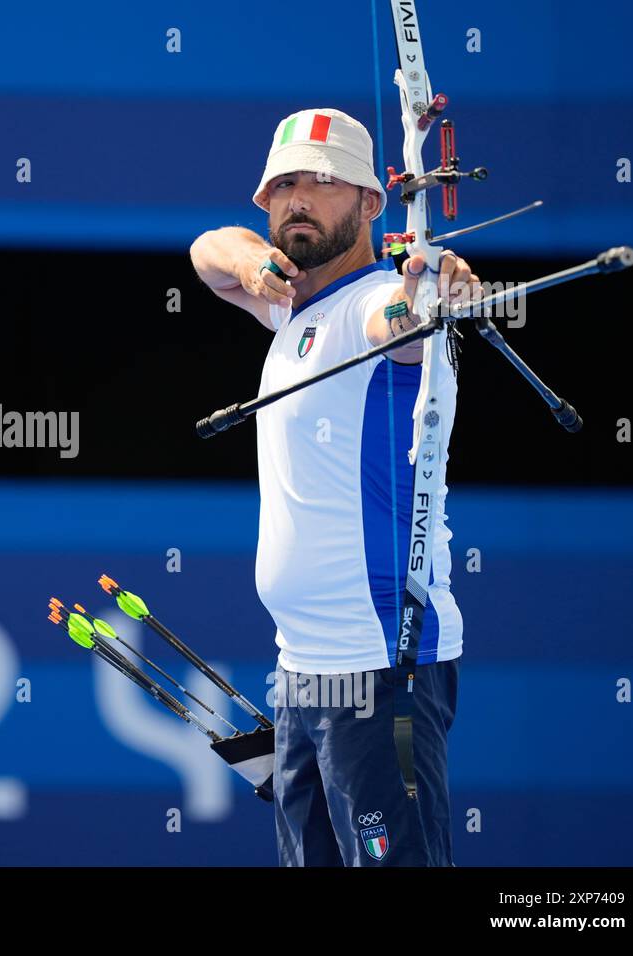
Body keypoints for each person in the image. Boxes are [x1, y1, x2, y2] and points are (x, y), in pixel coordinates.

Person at [189, 108, 479, 866]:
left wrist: (427, 286)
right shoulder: (287, 306)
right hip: (301, 668)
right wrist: (255, 266)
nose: (297, 199)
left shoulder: (369, 307)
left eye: (321, 182)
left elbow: (402, 322)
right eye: (282, 186)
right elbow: (205, 251)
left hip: (381, 668)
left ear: (372, 203)